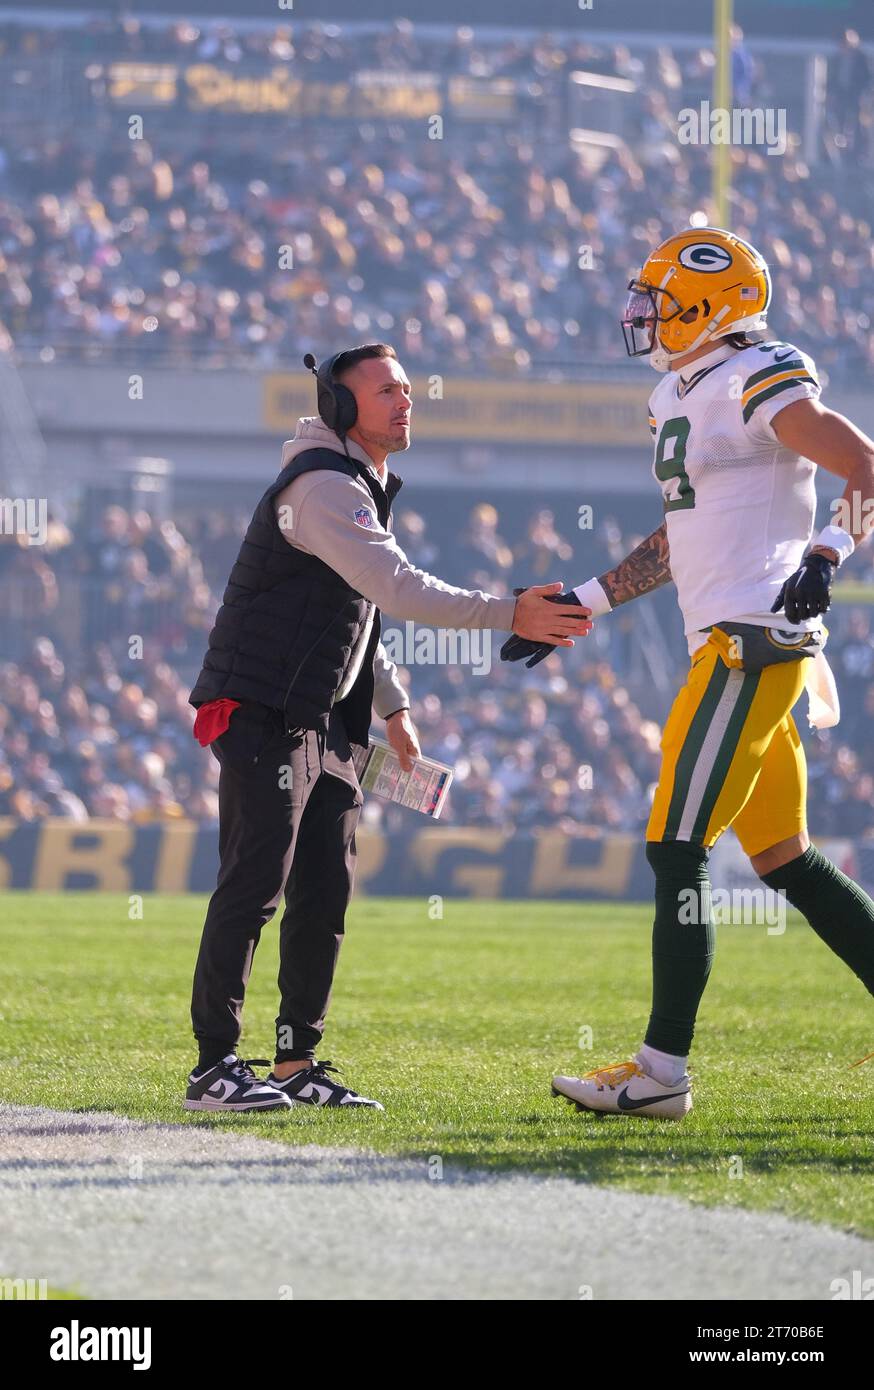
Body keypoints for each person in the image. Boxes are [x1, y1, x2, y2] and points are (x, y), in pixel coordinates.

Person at [505, 228, 874, 1118]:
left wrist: (828, 552)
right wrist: (586, 599)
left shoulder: (759, 370)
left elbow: (865, 465)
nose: (646, 318)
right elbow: (683, 533)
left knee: (676, 847)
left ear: (713, 303)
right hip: (733, 638)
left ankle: (660, 1071)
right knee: (785, 858)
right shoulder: (678, 390)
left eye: (662, 302)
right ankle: (659, 1070)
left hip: (754, 642)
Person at [185, 342, 591, 1112]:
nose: (405, 402)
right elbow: (396, 588)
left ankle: (295, 1064)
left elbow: (357, 616)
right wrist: (511, 611)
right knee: (255, 885)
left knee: (324, 891)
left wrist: (392, 706)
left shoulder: (357, 484)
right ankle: (213, 1066)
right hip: (265, 710)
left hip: (323, 720)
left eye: (407, 390)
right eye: (385, 392)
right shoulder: (323, 487)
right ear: (340, 407)